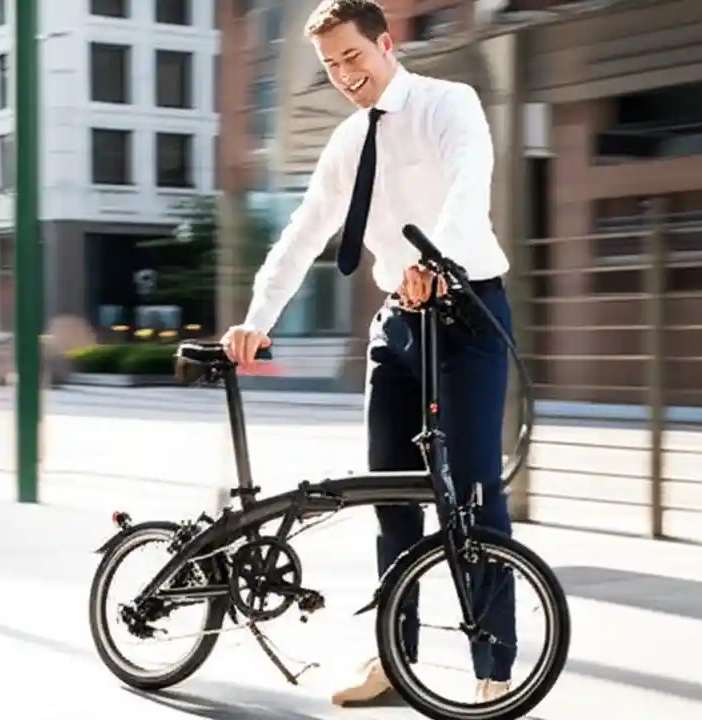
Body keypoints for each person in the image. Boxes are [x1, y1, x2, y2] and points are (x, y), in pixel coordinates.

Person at [220, 0, 517, 707]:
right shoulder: (348, 142)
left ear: (387, 44)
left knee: (471, 494)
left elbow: (468, 186)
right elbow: (303, 231)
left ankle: (494, 669)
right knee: (391, 496)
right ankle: (394, 658)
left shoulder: (449, 104)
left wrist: (436, 262)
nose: (344, 74)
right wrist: (256, 320)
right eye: (330, 65)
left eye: (352, 56)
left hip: (466, 313)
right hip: (398, 325)